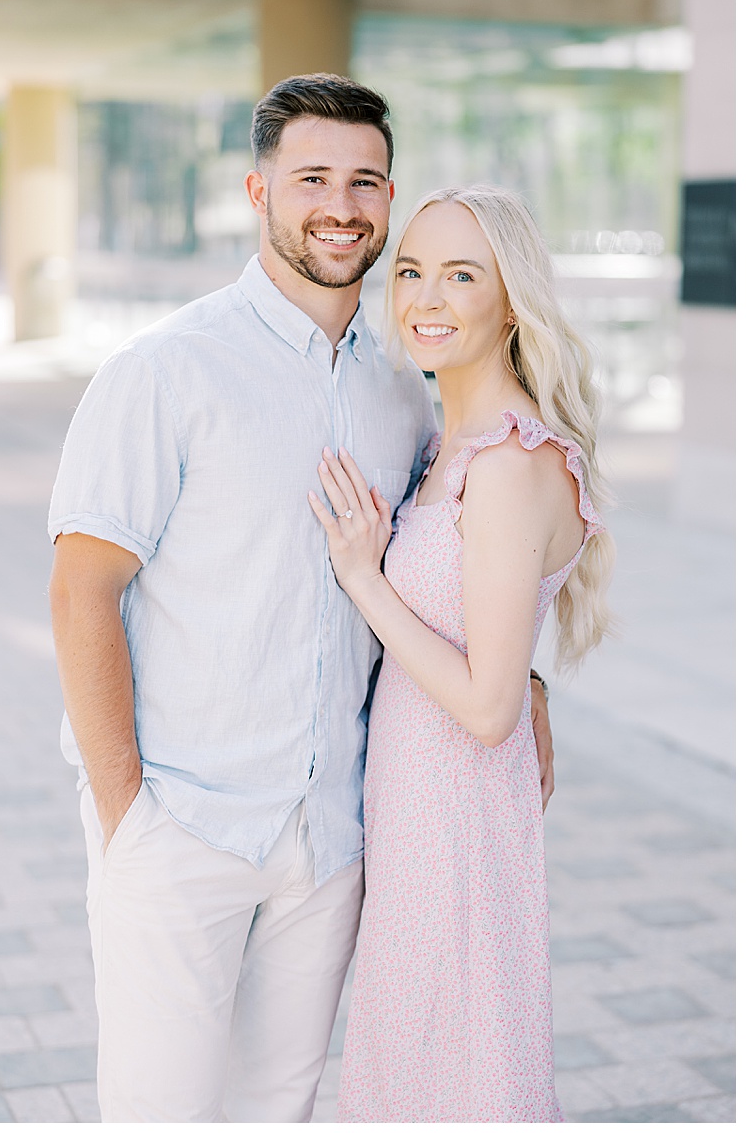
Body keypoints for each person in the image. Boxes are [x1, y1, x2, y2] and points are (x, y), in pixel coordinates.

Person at [46, 74, 555, 1121]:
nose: (340, 204)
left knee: (277, 1111)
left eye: (364, 181)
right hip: (182, 826)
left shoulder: (400, 386)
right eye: (312, 177)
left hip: (330, 844)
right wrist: (127, 815)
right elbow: (80, 592)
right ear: (256, 190)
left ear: (388, 196)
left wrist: (527, 670)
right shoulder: (166, 370)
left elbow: (453, 565)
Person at [312, 186, 612, 1121]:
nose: (424, 298)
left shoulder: (511, 465)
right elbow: (493, 648)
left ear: (510, 300)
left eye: (459, 275)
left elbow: (489, 712)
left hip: (457, 825)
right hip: (413, 817)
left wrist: (364, 579)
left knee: (462, 1073)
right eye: (410, 271)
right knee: (414, 1069)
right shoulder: (454, 443)